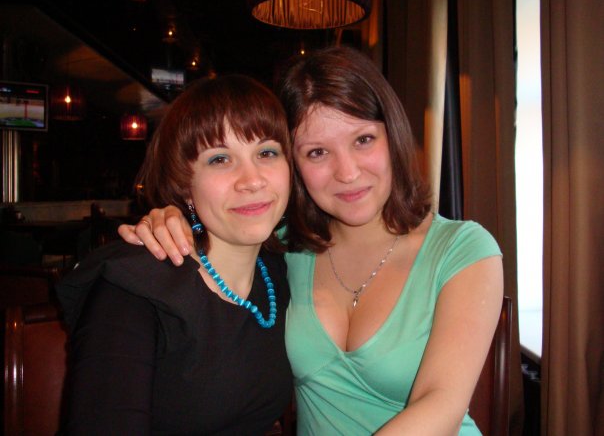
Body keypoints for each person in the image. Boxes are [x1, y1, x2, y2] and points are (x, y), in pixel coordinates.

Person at [120, 46, 503, 435]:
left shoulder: (464, 249)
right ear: (292, 164)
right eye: (317, 152)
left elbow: (440, 403)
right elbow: (215, 238)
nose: (347, 172)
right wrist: (176, 218)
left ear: (394, 136)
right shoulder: (282, 248)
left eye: (363, 140)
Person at [55, 75, 293, 435]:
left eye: (266, 152)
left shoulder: (278, 274)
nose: (252, 179)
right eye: (220, 159)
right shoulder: (135, 288)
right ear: (184, 186)